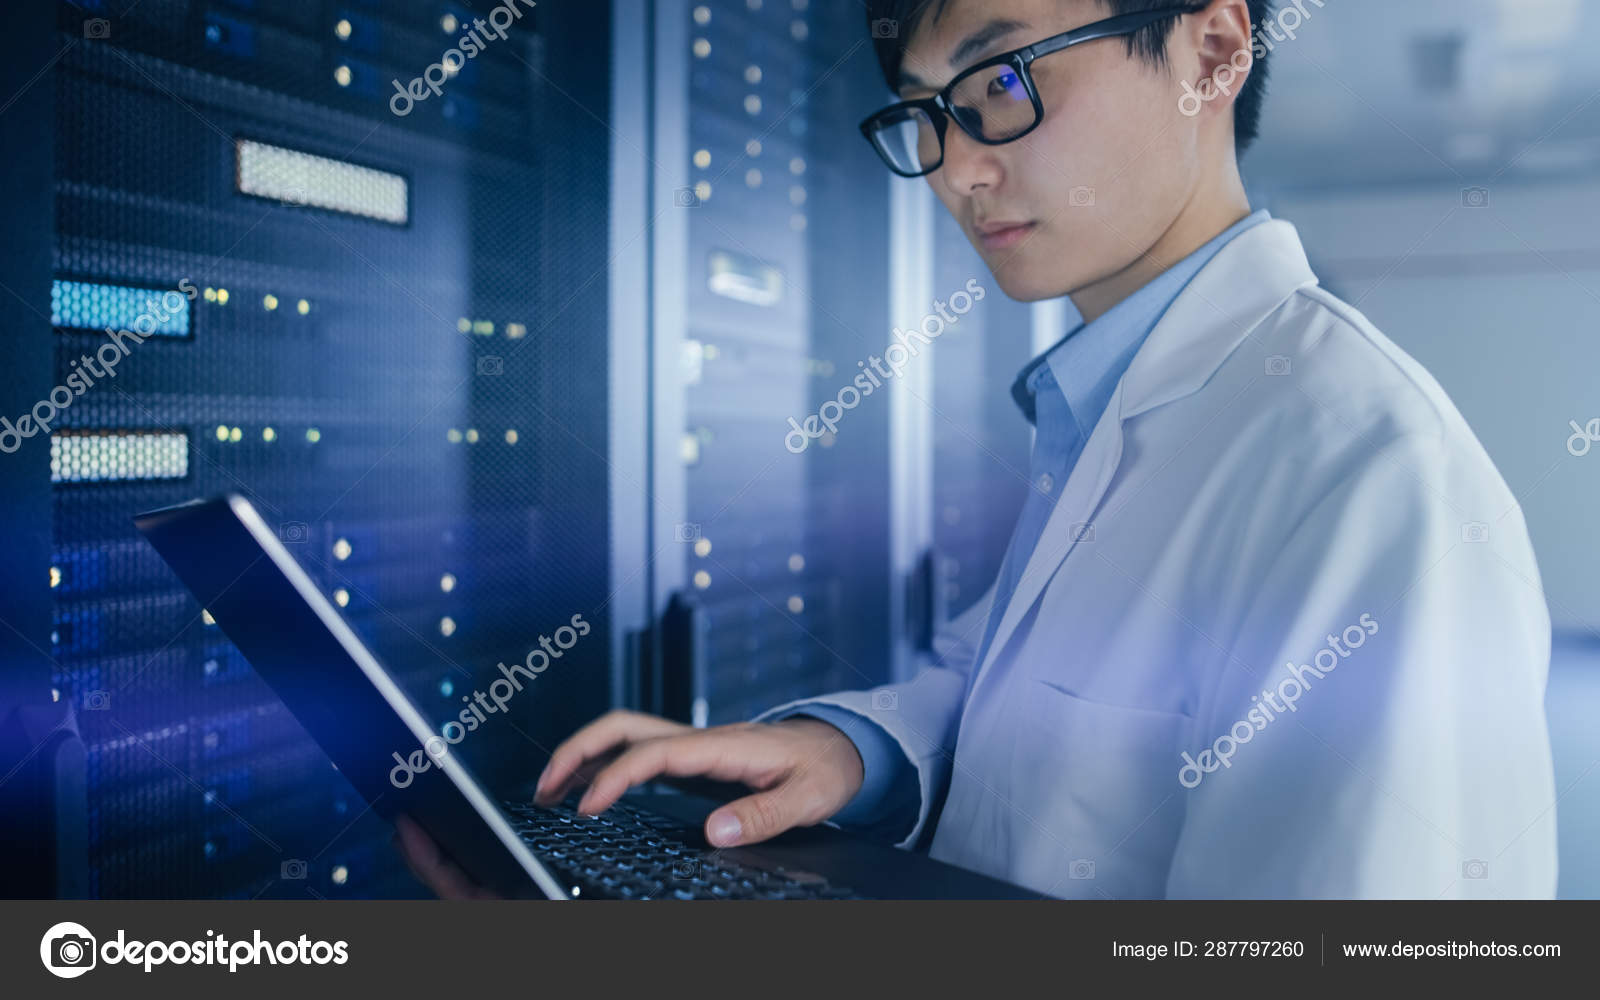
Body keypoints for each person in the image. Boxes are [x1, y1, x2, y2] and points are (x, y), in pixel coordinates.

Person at [398, 0, 1557, 899]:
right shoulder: (1113, 396)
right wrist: (853, 750)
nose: (956, 168)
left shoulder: (1367, 474)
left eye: (1000, 82)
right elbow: (1042, 704)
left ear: (1210, 50)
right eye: (930, 110)